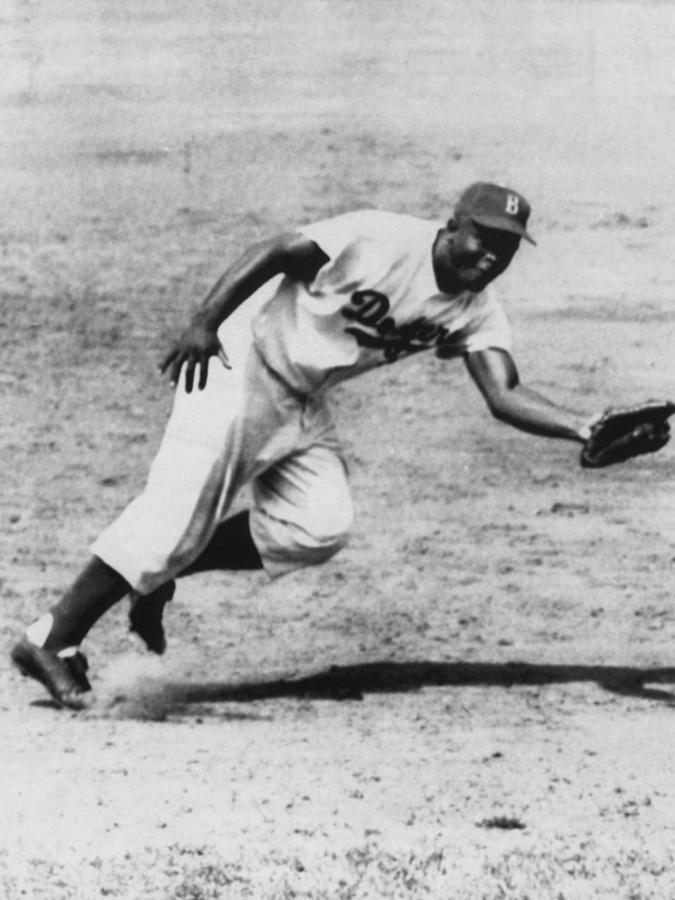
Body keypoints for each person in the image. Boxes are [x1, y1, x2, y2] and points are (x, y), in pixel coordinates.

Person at [11, 181, 596, 709]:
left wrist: (584, 426)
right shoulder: (382, 238)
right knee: (173, 517)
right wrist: (205, 321)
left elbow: (504, 392)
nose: (492, 256)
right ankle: (51, 638)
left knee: (318, 525)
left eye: (508, 248)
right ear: (452, 226)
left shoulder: (475, 308)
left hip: (302, 395)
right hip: (241, 364)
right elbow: (279, 250)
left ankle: (165, 572)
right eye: (484, 239)